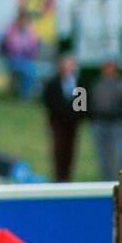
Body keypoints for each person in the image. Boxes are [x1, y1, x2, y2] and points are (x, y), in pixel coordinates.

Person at [89, 58, 122, 181]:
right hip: (100, 122)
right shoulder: (97, 84)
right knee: (102, 154)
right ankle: (106, 179)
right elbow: (89, 102)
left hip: (116, 122)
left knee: (121, 153)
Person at [42, 54, 84, 182]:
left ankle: (67, 177)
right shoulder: (53, 84)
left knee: (70, 151)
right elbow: (49, 102)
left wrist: (75, 115)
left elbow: (81, 106)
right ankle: (58, 177)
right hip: (58, 123)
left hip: (72, 124)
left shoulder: (78, 84)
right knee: (58, 150)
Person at [0, 11, 40, 99]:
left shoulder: (30, 32)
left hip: (26, 59)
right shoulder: (11, 31)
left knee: (28, 70)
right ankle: (28, 95)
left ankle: (27, 94)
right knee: (28, 71)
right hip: (12, 58)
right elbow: (8, 46)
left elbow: (33, 48)